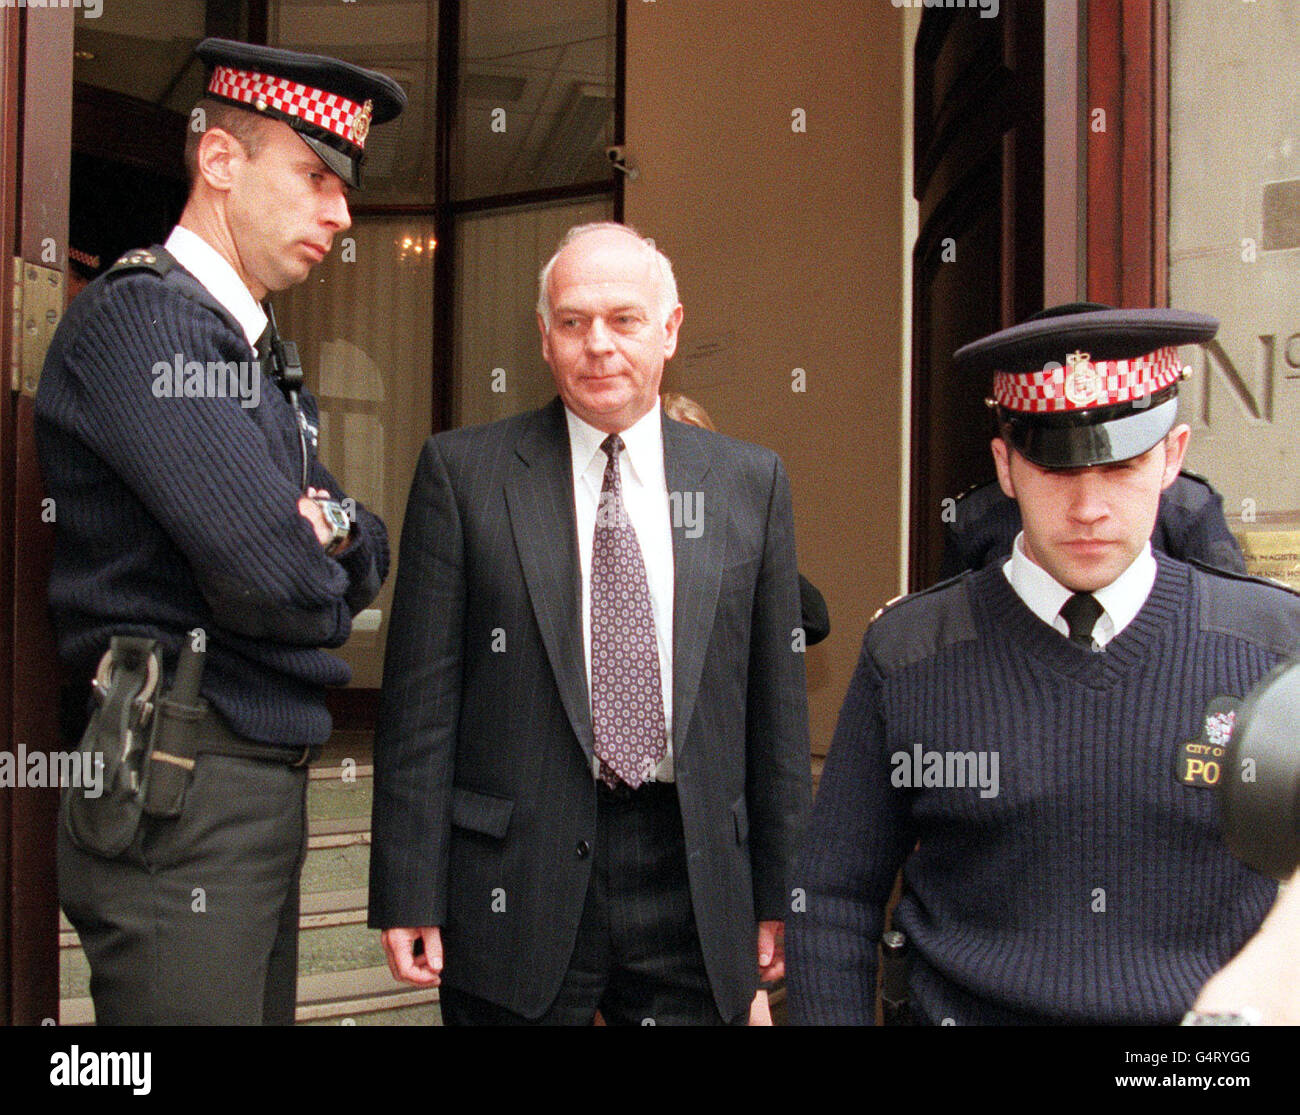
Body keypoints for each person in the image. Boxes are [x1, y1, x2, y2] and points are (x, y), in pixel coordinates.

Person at [786, 304, 1300, 1025]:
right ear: (1005, 466)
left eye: (1120, 464)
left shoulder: (1273, 646)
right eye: (1055, 468)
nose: (1088, 506)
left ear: (1172, 454)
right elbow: (833, 898)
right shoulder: (910, 653)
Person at [35, 38, 405, 1025]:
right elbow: (273, 576)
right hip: (181, 777)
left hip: (240, 775)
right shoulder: (148, 321)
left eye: (345, 186)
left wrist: (319, 536)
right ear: (220, 161)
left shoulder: (255, 353)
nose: (342, 211)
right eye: (316, 177)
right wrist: (318, 549)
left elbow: (366, 535)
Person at [369, 221, 812, 1025]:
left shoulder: (750, 483)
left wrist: (782, 888)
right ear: (543, 339)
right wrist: (408, 887)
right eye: (572, 322)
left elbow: (775, 712)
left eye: (624, 319)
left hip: (695, 878)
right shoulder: (463, 475)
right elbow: (418, 710)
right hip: (515, 880)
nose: (597, 344)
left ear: (670, 330)